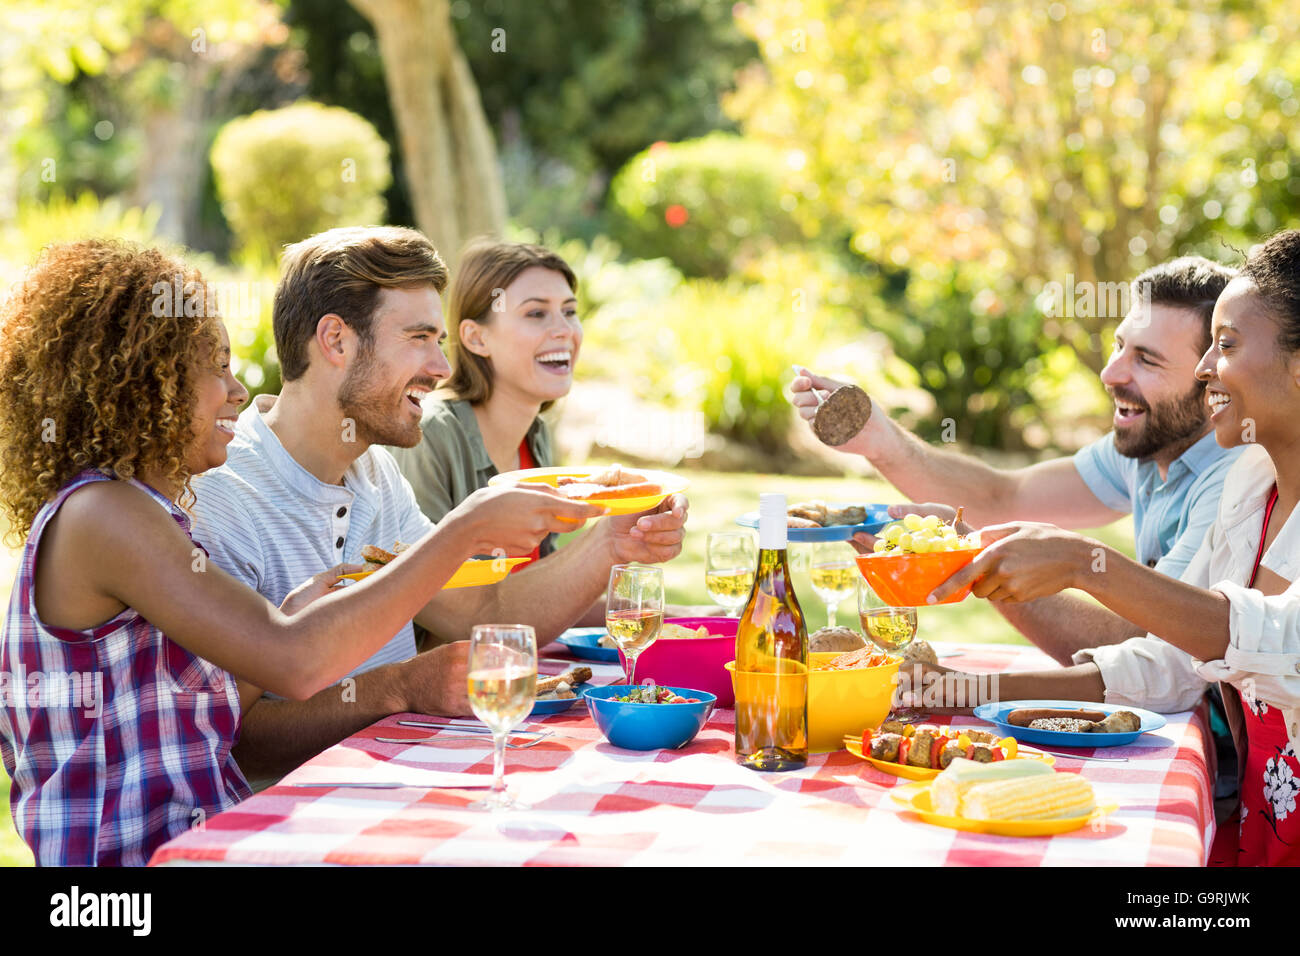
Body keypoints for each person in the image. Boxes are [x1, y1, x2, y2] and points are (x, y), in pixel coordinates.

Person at [0, 240, 593, 865]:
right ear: (147, 380)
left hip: (215, 839)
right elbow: (293, 662)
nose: (236, 389)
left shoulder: (145, 512)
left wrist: (294, 609)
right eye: (215, 367)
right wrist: (461, 532)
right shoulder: (106, 515)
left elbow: (225, 681)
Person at [189, 226, 689, 786]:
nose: (442, 368)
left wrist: (610, 543)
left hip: (399, 792)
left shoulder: (375, 472)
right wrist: (399, 687)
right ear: (336, 341)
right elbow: (235, 744)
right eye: (420, 337)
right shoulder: (222, 495)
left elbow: (481, 614)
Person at [919, 229, 1300, 865]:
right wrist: (956, 692)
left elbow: (1283, 641)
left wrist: (1083, 564)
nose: (1207, 369)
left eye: (1225, 346)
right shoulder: (1250, 487)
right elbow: (1171, 664)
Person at [791, 256, 1241, 665]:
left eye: (1146, 360)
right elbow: (1005, 497)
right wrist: (881, 440)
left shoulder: (1232, 481)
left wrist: (975, 564)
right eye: (1118, 346)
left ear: (1211, 381)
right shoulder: (1150, 446)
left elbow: (1145, 652)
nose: (1110, 374)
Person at [388, 239, 709, 631]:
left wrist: (687, 618)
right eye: (537, 313)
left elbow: (533, 597)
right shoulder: (431, 435)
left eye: (570, 312)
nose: (564, 330)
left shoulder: (535, 437)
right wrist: (606, 543)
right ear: (476, 338)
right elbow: (463, 618)